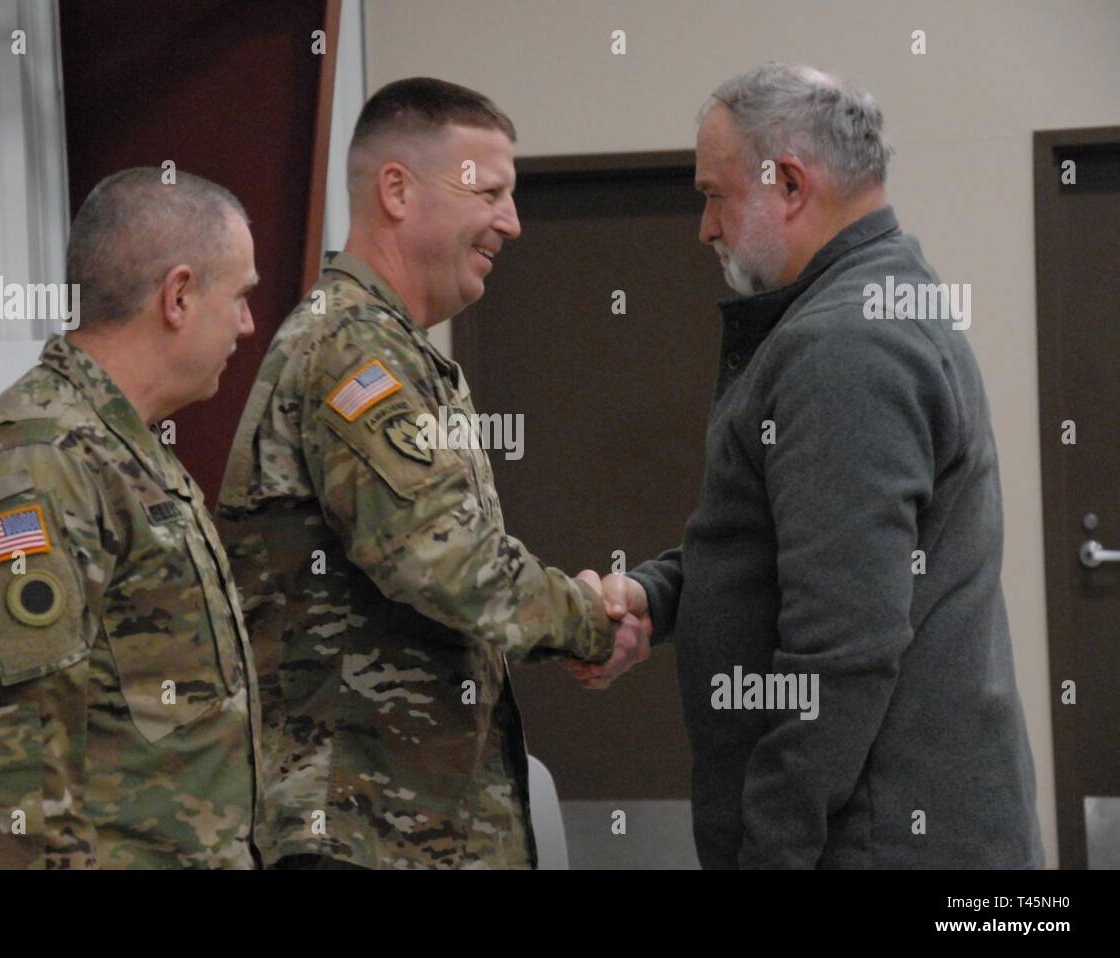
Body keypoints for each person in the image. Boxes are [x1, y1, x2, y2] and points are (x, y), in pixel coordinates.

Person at [573, 62, 1042, 869]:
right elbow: (799, 548)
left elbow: (843, 647)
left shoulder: (845, 343)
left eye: (714, 195)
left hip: (872, 843)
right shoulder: (884, 298)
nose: (705, 228)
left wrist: (769, 853)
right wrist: (655, 595)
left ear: (788, 184)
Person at [217, 77, 644, 870]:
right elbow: (442, 557)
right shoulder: (352, 348)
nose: (511, 222)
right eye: (490, 192)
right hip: (359, 831)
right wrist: (586, 619)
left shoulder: (395, 351)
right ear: (397, 190)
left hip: (409, 828)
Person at [0, 168, 263, 869]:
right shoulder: (33, 467)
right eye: (240, 295)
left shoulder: (120, 450)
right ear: (179, 295)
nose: (248, 323)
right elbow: (12, 795)